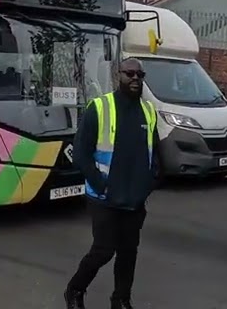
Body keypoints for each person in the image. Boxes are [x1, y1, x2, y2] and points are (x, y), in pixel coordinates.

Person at [66, 58, 159, 309]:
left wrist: (147, 184)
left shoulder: (149, 112)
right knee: (104, 250)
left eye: (141, 74)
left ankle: (121, 300)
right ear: (119, 75)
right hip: (103, 198)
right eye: (130, 73)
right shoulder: (100, 107)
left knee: (129, 253)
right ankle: (75, 290)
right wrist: (100, 183)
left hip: (134, 200)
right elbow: (80, 153)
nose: (136, 79)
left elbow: (156, 155)